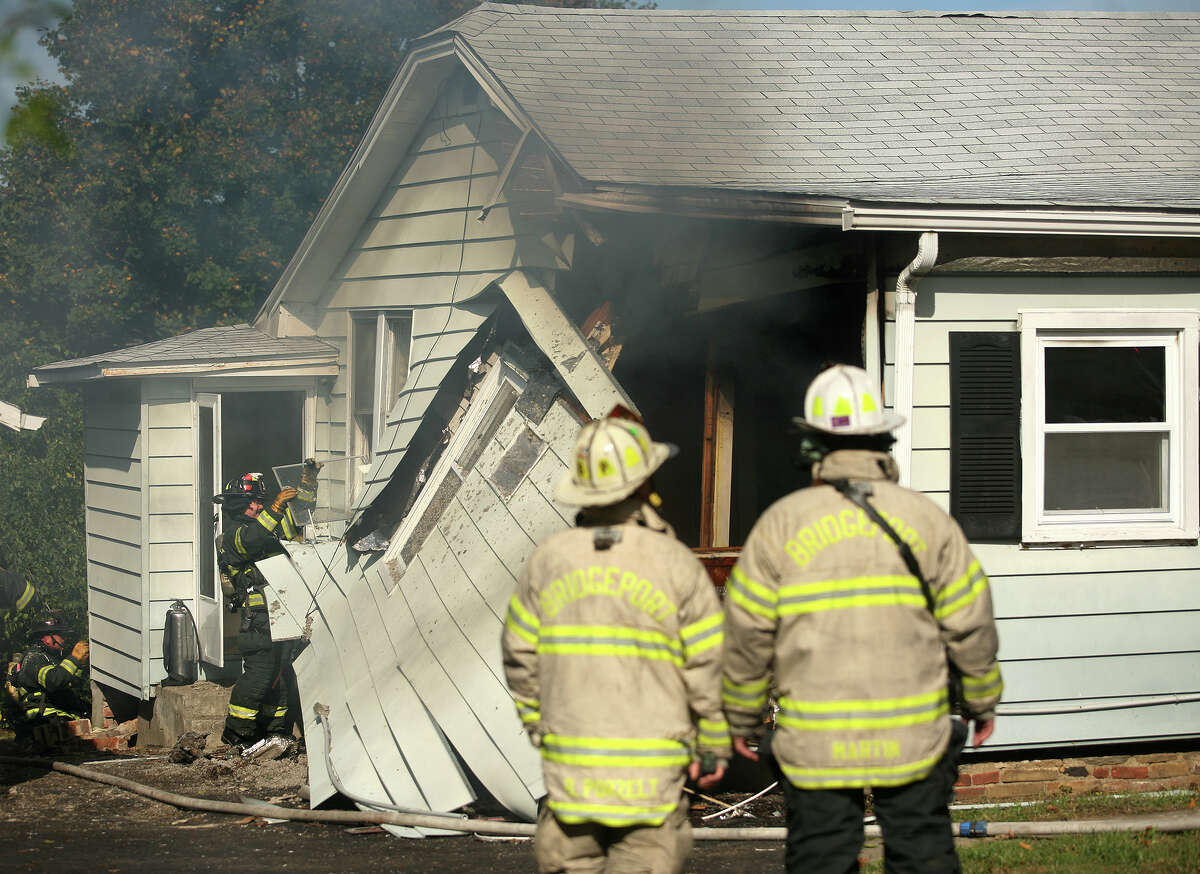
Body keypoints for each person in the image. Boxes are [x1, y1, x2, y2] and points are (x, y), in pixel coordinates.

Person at [722, 365, 1003, 874]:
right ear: (884, 438)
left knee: (821, 860)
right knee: (923, 856)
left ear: (812, 443)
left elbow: (746, 635)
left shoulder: (779, 525)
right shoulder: (928, 520)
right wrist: (981, 700)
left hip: (815, 742)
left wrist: (742, 717)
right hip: (915, 736)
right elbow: (971, 622)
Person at [502, 410, 730, 874]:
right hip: (651, 777)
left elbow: (519, 657)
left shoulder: (549, 561)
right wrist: (712, 742)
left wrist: (539, 727)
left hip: (572, 772)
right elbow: (707, 665)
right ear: (644, 485)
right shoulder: (675, 563)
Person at [213, 462, 318, 756]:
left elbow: (298, 517)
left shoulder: (266, 526)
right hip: (258, 620)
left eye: (262, 502)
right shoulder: (232, 536)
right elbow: (253, 540)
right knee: (260, 676)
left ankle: (277, 734)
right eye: (255, 502)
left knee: (281, 676)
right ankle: (237, 735)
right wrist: (273, 507)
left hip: (283, 616)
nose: (260, 507)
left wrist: (307, 486)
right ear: (239, 505)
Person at [11, 616, 89, 729]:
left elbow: (68, 684)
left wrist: (80, 665)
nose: (65, 639)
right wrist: (74, 658)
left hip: (58, 720)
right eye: (61, 635)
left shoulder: (49, 659)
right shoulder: (34, 658)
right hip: (46, 721)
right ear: (46, 637)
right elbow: (53, 681)